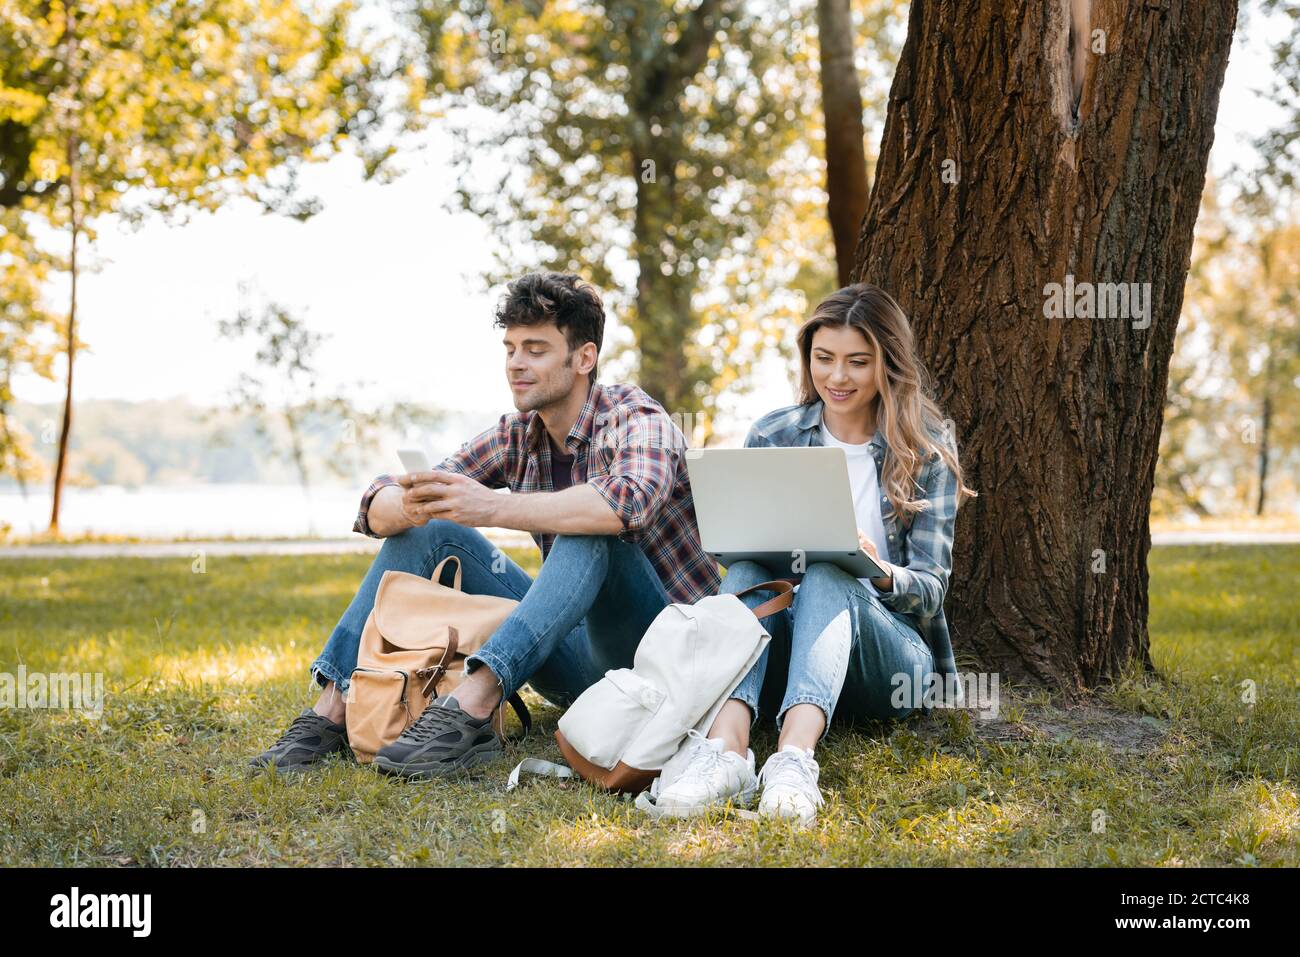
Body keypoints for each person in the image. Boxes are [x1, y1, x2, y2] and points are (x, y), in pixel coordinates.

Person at [248, 272, 720, 778]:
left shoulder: (635, 416)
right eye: (511, 348)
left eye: (536, 349)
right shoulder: (517, 435)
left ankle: (469, 707)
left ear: (584, 358)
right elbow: (375, 503)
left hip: (664, 658)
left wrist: (492, 507)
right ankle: (334, 708)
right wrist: (412, 505)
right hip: (577, 665)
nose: (517, 363)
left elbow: (627, 503)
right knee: (430, 529)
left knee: (590, 527)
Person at [653, 283, 976, 824]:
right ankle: (727, 752)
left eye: (857, 362)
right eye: (824, 359)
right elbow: (737, 558)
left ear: (887, 365)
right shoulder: (775, 432)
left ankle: (793, 759)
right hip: (789, 652)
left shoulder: (926, 446)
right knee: (753, 569)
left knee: (830, 570)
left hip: (890, 664)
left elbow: (931, 591)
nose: (837, 377)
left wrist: (875, 570)